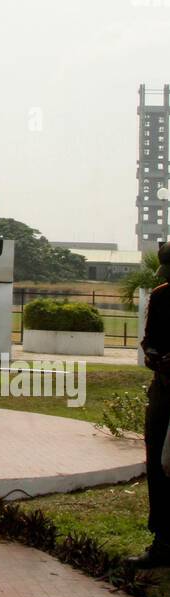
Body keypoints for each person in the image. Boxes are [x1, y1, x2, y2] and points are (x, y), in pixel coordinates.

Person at [130, 242, 170, 567]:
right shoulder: (160, 297)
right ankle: (162, 541)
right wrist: (155, 357)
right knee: (157, 464)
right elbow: (149, 340)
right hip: (164, 391)